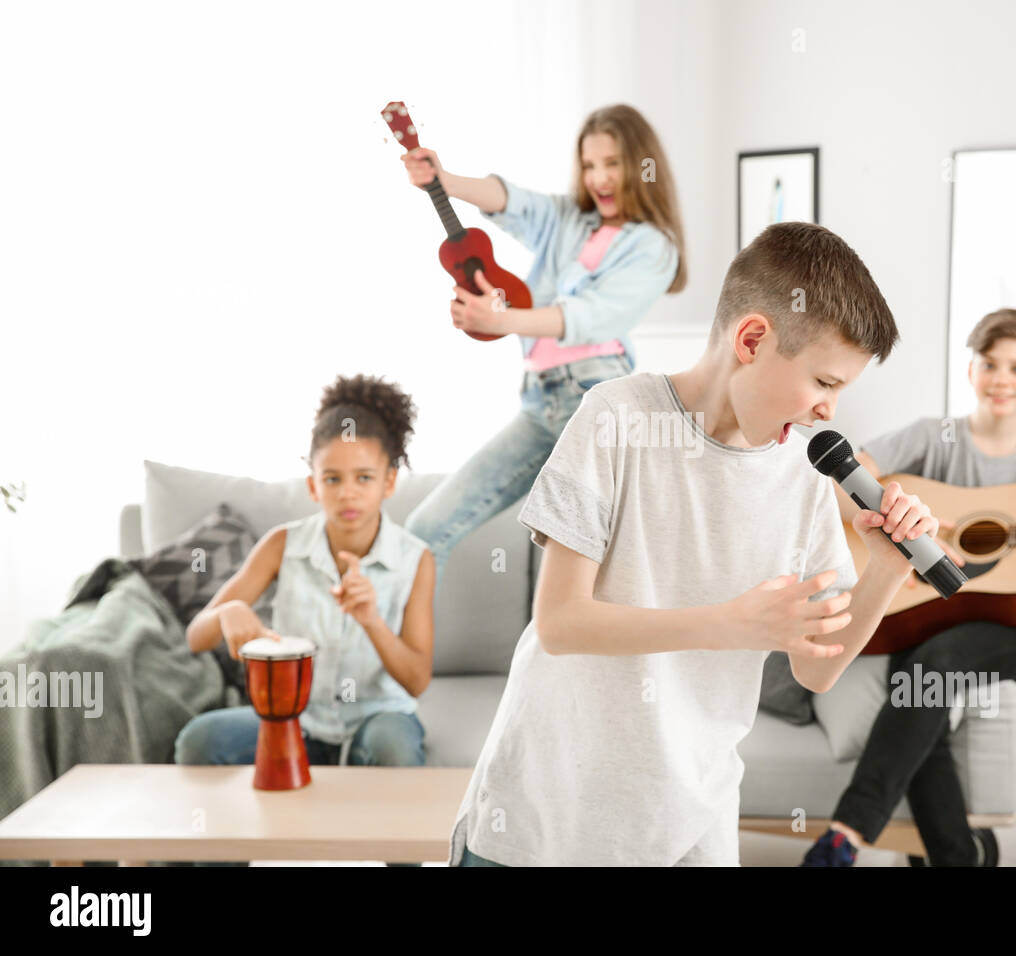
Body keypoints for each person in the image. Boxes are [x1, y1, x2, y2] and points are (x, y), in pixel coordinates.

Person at [450, 221, 939, 866]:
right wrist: (729, 624)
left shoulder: (805, 472)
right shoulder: (616, 417)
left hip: (691, 819)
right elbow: (562, 623)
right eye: (824, 382)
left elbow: (816, 668)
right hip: (542, 818)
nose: (830, 411)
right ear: (754, 338)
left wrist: (883, 572)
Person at [802, 308, 1016, 867]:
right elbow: (846, 476)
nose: (1002, 378)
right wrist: (899, 524)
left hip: (1010, 629)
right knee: (920, 683)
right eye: (991, 364)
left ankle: (847, 833)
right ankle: (959, 855)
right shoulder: (934, 437)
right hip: (922, 612)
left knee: (929, 669)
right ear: (972, 369)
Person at [399, 103, 686, 582]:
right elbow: (514, 201)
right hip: (540, 402)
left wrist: (502, 318)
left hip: (596, 403)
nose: (599, 178)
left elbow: (589, 317)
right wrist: (443, 179)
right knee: (424, 529)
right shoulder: (570, 220)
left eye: (612, 163)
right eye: (590, 165)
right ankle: (401, 658)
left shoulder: (654, 248)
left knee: (594, 572)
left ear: (640, 166)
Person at [176, 374, 436, 864]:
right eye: (332, 479)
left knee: (396, 748)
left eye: (364, 478)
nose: (348, 494)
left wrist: (371, 620)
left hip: (375, 719)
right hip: (290, 721)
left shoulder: (416, 560)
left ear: (389, 482)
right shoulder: (282, 544)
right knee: (200, 740)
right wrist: (232, 609)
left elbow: (417, 680)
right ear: (313, 486)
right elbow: (195, 636)